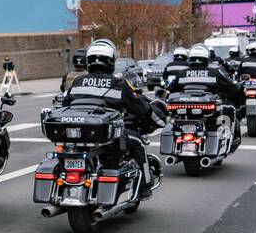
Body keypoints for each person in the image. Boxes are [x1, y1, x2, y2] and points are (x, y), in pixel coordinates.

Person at [63, 39, 167, 196]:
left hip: (79, 137)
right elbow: (141, 108)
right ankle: (145, 184)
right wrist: (156, 116)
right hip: (109, 138)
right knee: (137, 143)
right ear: (111, 61)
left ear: (88, 61)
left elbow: (65, 105)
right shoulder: (119, 84)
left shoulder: (78, 82)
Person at [171, 43, 243, 149]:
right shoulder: (214, 72)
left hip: (185, 107)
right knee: (229, 109)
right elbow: (231, 86)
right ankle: (228, 139)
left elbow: (171, 88)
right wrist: (238, 88)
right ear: (206, 59)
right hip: (207, 108)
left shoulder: (182, 73)